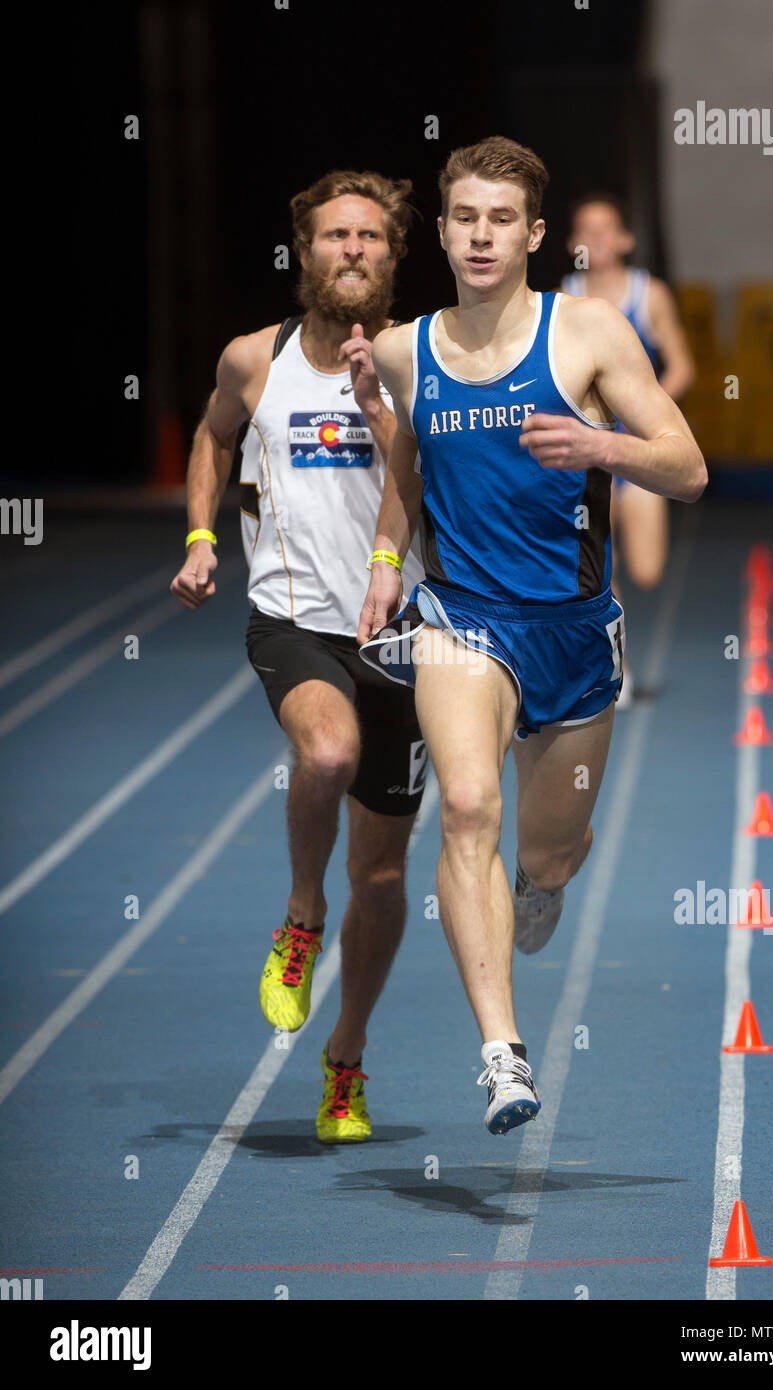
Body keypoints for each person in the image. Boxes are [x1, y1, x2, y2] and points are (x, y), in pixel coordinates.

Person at [356, 137, 706, 1135]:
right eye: (463, 216)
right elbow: (404, 476)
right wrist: (389, 570)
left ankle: (541, 879)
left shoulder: (588, 333)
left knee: (548, 849)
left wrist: (599, 444)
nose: (479, 234)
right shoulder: (400, 351)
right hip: (462, 620)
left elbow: (686, 468)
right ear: (442, 228)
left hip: (573, 632)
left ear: (532, 234)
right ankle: (501, 1056)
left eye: (499, 219)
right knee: (465, 803)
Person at [170, 170, 427, 1143]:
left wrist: (375, 406)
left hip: (402, 636)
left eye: (369, 235)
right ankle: (298, 910)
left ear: (393, 256)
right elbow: (209, 435)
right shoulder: (254, 359)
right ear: (303, 251)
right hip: (293, 620)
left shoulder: (417, 363)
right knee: (323, 755)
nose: (351, 248)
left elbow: (435, 486)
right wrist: (200, 537)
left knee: (386, 879)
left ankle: (344, 1058)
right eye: (333, 235)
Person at [562, 193, 696, 704]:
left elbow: (683, 366)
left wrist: (646, 414)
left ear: (625, 239)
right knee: (601, 569)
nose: (595, 239)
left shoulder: (650, 294)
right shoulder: (563, 298)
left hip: (638, 454)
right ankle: (615, 666)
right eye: (585, 229)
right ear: (572, 241)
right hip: (593, 456)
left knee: (646, 569)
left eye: (606, 229)